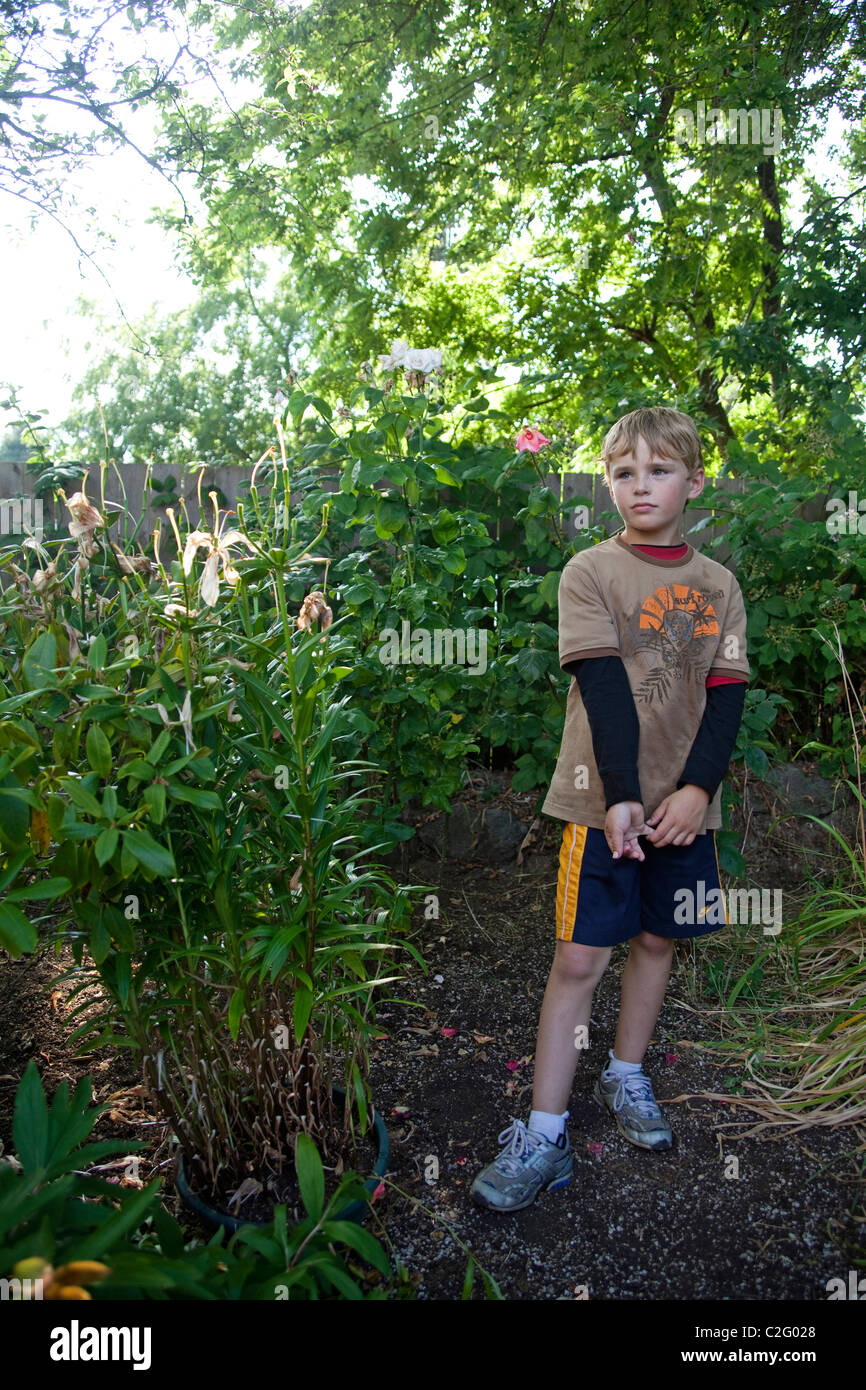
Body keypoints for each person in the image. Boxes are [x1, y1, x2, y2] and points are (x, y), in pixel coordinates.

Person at [471, 406, 750, 1212]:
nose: (640, 485)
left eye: (658, 470)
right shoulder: (590, 571)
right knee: (580, 958)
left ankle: (628, 1077)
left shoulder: (719, 586)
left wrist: (696, 792)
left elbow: (726, 700)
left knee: (659, 940)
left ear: (694, 482)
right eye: (623, 472)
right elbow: (604, 691)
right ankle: (545, 1134)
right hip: (602, 806)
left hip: (685, 811)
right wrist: (624, 796)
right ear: (609, 484)